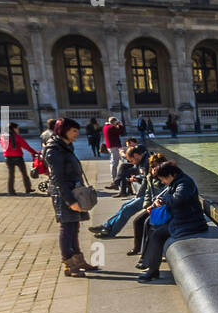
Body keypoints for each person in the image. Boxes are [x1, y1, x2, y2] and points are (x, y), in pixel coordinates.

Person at [45, 118, 101, 278]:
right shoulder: (54, 150)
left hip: (73, 190)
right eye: (74, 131)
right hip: (64, 194)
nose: (77, 134)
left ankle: (79, 260)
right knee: (66, 229)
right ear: (63, 130)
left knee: (74, 228)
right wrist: (71, 201)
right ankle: (68, 264)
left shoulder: (65, 146)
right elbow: (58, 179)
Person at [136, 159, 208, 282]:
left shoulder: (184, 183)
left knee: (157, 234)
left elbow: (177, 200)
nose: (162, 181)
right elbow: (168, 197)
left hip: (190, 222)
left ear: (170, 175)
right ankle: (147, 261)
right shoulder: (176, 181)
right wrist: (157, 202)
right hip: (180, 219)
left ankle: (152, 270)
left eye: (163, 179)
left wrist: (163, 200)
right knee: (148, 223)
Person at [89, 145, 151, 238]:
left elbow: (147, 181)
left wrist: (139, 193)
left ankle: (110, 232)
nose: (132, 163)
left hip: (151, 195)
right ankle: (107, 226)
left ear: (136, 155)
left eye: (131, 160)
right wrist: (137, 179)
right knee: (124, 206)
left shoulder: (147, 162)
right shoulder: (142, 161)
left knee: (127, 209)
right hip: (147, 192)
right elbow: (146, 179)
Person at [0, 122, 37, 195]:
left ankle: (11, 191)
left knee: (11, 175)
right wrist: (34, 152)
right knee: (24, 174)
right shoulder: (17, 137)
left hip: (8, 158)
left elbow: (2, 146)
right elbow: (26, 146)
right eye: (17, 128)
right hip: (18, 157)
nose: (18, 130)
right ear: (14, 129)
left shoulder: (3, 137)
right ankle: (28, 189)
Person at [103, 116, 122, 183]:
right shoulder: (111, 127)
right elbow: (121, 132)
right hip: (114, 146)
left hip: (110, 147)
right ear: (114, 122)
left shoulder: (106, 127)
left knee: (112, 162)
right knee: (114, 163)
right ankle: (114, 179)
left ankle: (114, 177)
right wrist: (120, 125)